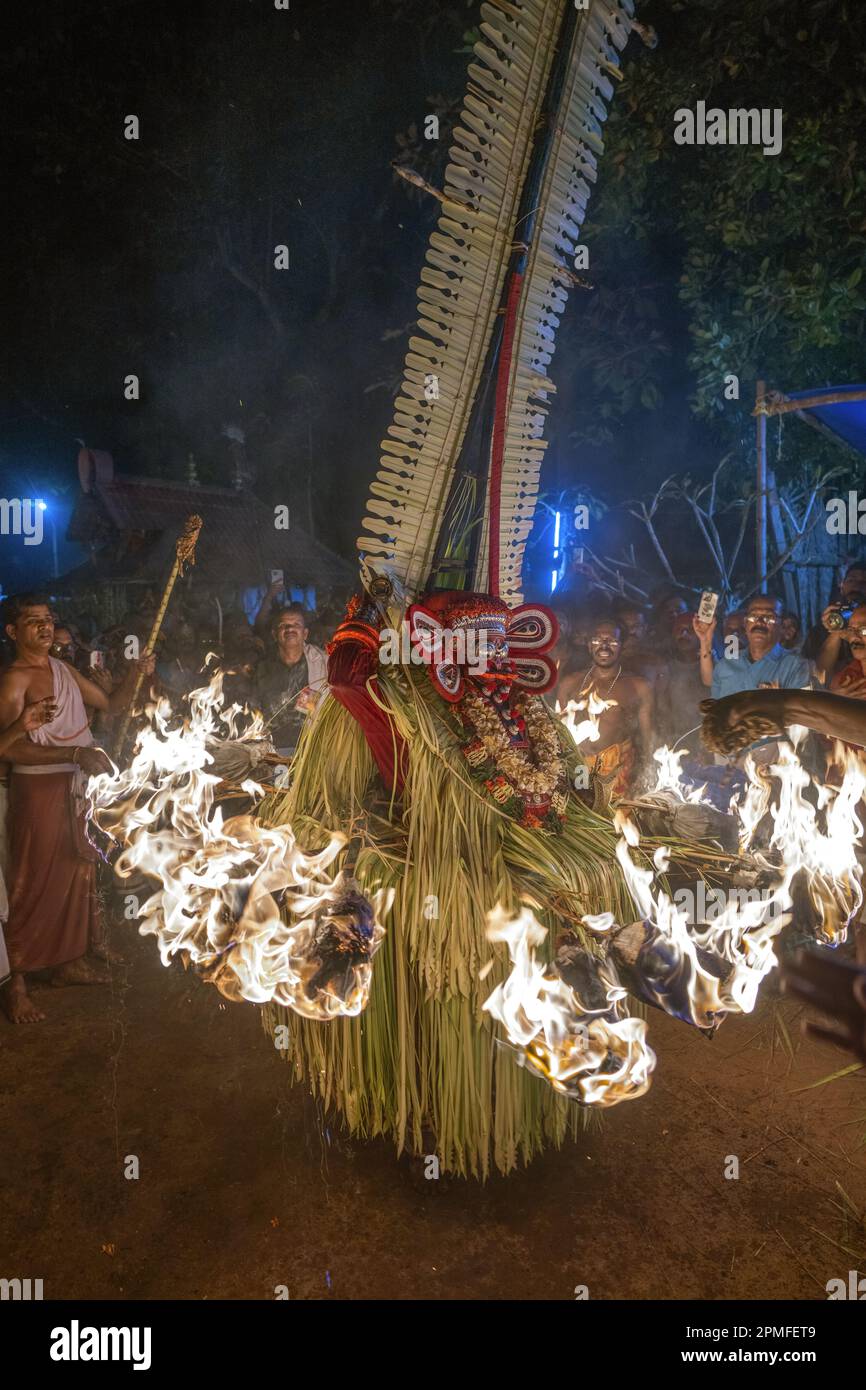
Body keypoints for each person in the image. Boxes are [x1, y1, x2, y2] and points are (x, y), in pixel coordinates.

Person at [0, 594, 154, 1023]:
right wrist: (72, 756)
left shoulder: (62, 669)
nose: (45, 627)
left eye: (48, 620)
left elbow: (113, 705)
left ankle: (69, 961)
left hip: (76, 785)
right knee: (31, 882)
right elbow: (9, 751)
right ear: (13, 632)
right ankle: (17, 984)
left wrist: (134, 674)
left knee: (77, 871)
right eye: (33, 622)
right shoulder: (14, 679)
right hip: (39, 792)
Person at [557, 616, 653, 801]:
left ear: (623, 645)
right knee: (581, 819)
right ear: (588, 645)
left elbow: (647, 735)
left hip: (617, 769)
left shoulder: (638, 686)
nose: (604, 646)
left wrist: (647, 771)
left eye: (613, 641)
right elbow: (559, 733)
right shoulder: (570, 683)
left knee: (612, 823)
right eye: (597, 640)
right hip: (578, 767)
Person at [696, 594, 810, 697]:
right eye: (753, 617)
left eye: (769, 618)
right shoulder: (727, 664)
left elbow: (801, 716)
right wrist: (705, 641)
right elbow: (714, 710)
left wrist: (778, 702)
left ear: (782, 626)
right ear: (746, 624)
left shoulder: (796, 666)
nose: (759, 622)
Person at [254, 603, 327, 759]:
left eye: (296, 625)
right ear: (274, 634)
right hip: (269, 750)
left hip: (311, 748)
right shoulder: (261, 667)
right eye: (284, 625)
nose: (290, 629)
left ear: (305, 633)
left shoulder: (321, 664)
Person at [654, 610, 707, 757]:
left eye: (689, 630)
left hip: (708, 745)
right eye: (679, 629)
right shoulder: (665, 668)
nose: (683, 634)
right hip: (676, 744)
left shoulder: (715, 667)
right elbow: (662, 708)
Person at [803, 561, 866, 682]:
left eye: (864, 582)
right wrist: (836, 629)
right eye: (851, 580)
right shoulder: (820, 632)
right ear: (842, 586)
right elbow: (816, 677)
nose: (857, 586)